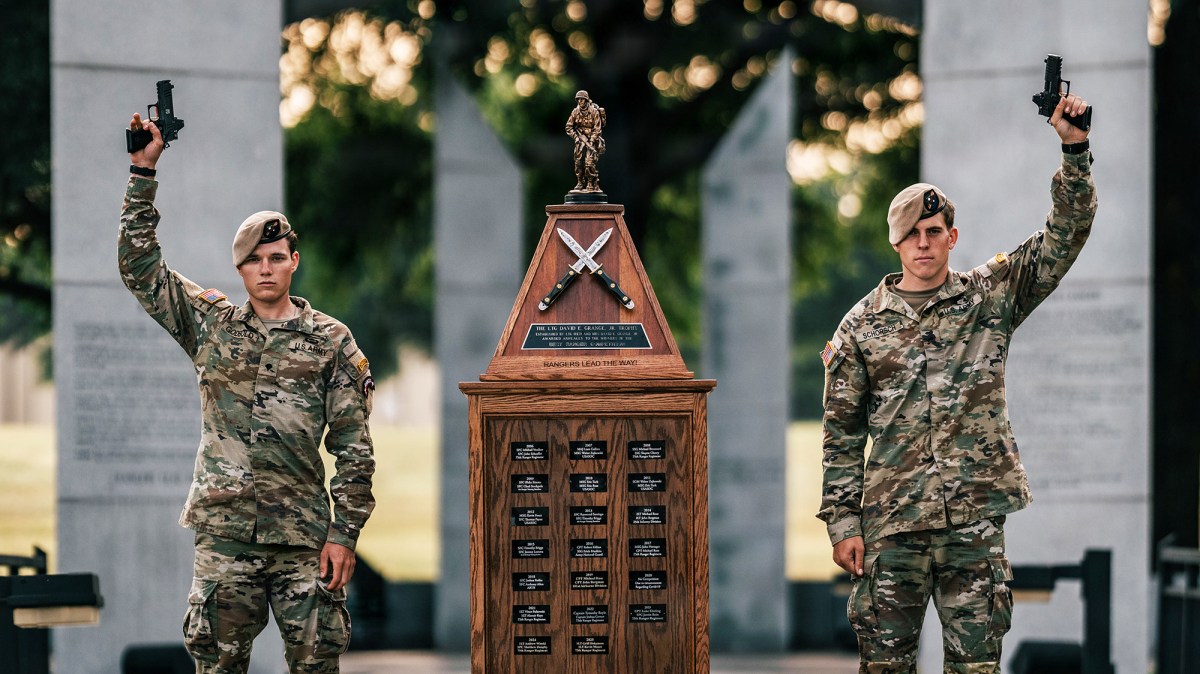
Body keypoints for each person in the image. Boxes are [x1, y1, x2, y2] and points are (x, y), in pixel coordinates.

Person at [817, 91, 1096, 673]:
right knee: (886, 667)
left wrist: (1075, 151)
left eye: (936, 230)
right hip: (892, 529)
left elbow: (1061, 240)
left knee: (976, 668)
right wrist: (843, 524)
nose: (925, 242)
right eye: (914, 234)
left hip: (973, 524)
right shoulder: (859, 328)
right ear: (896, 243)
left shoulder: (988, 299)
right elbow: (841, 437)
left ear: (953, 236)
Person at [119, 112, 376, 673]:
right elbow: (141, 269)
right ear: (240, 269)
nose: (266, 269)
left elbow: (354, 448)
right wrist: (143, 171)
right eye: (255, 260)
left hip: (304, 541)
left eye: (276, 258)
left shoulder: (331, 341)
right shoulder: (211, 325)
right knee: (218, 668)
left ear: (293, 262)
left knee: (317, 665)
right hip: (225, 538)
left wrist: (344, 534)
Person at [566, 89, 606, 192]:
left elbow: (598, 128)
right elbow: (568, 127)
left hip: (592, 139)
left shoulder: (594, 111)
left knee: (589, 162)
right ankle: (579, 182)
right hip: (580, 139)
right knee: (578, 162)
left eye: (582, 99)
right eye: (578, 99)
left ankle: (590, 182)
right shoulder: (575, 112)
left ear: (586, 100)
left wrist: (592, 141)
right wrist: (576, 137)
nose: (580, 101)